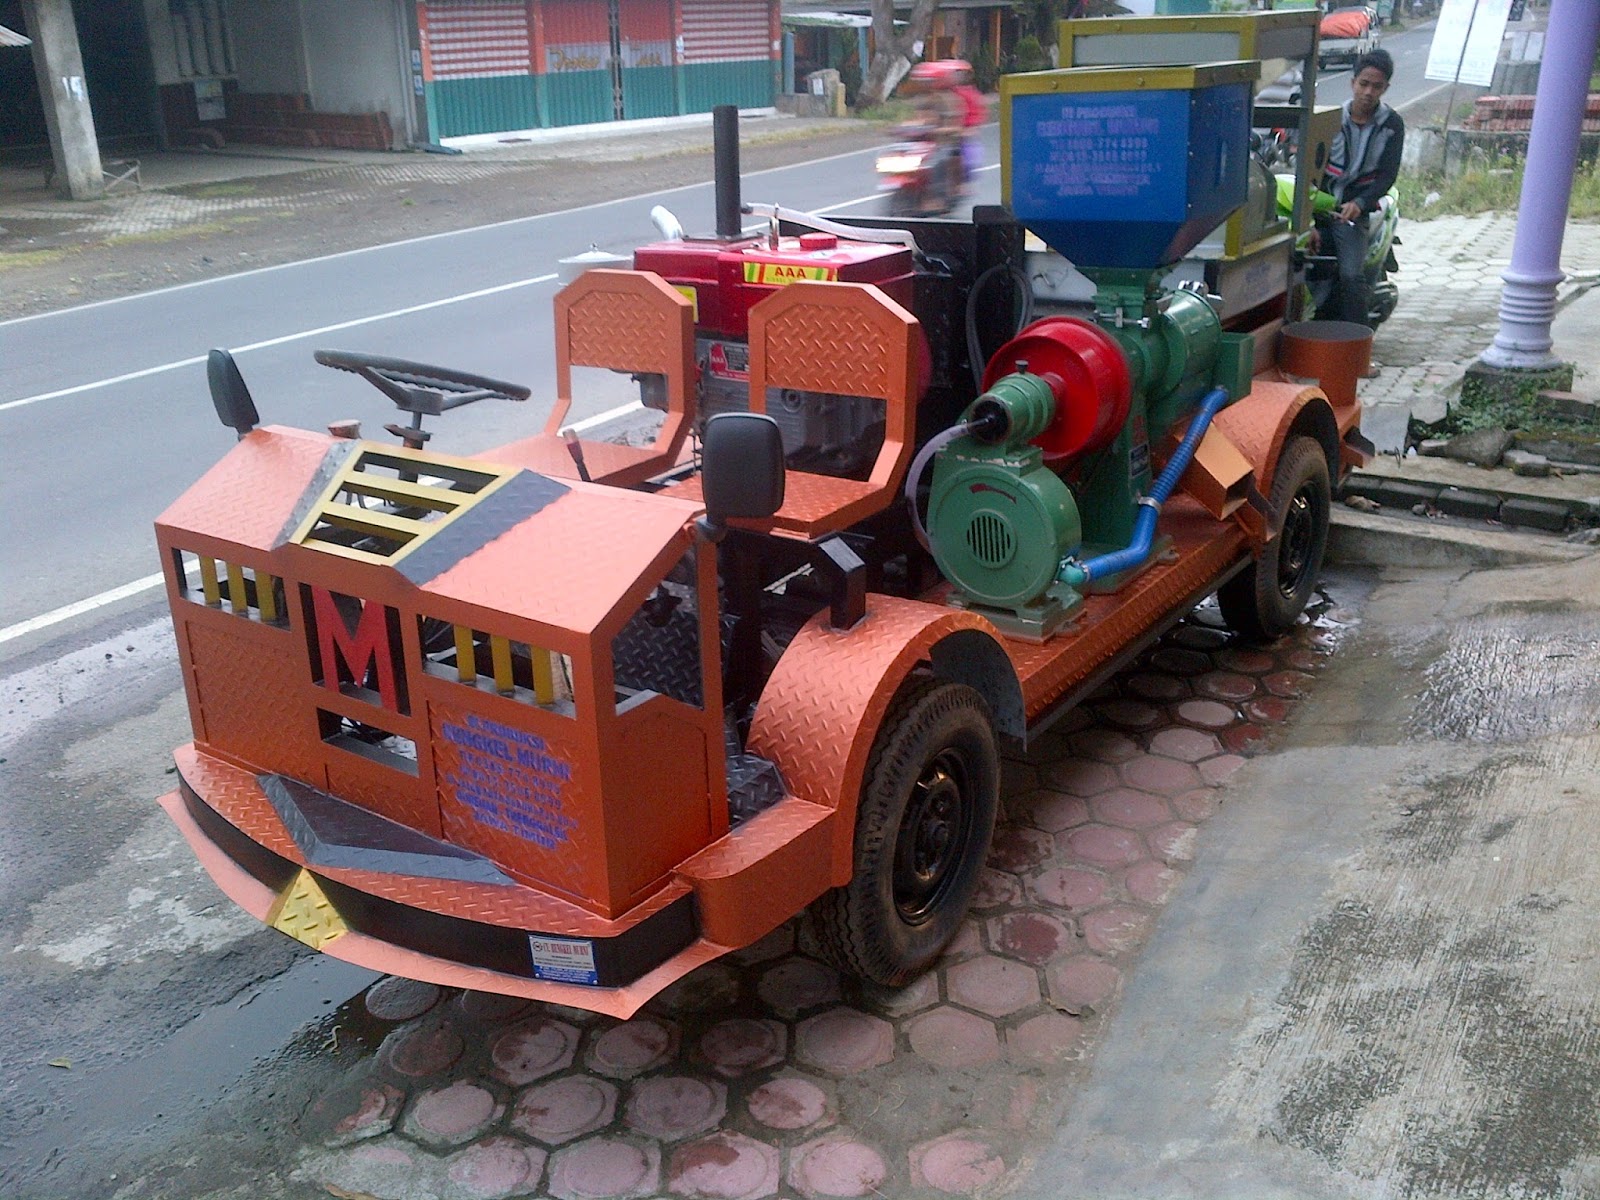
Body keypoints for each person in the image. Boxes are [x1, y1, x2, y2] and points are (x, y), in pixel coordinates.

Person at [1319, 48, 1404, 326]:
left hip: (1354, 213)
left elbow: (1387, 176)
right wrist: (1307, 217)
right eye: (1363, 84)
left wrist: (1359, 204)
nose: (1368, 92)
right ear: (1352, 82)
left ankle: (1358, 348)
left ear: (1386, 88)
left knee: (1350, 276)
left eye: (1376, 86)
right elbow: (1309, 168)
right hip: (1320, 207)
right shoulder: (1328, 119)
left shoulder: (1392, 125)